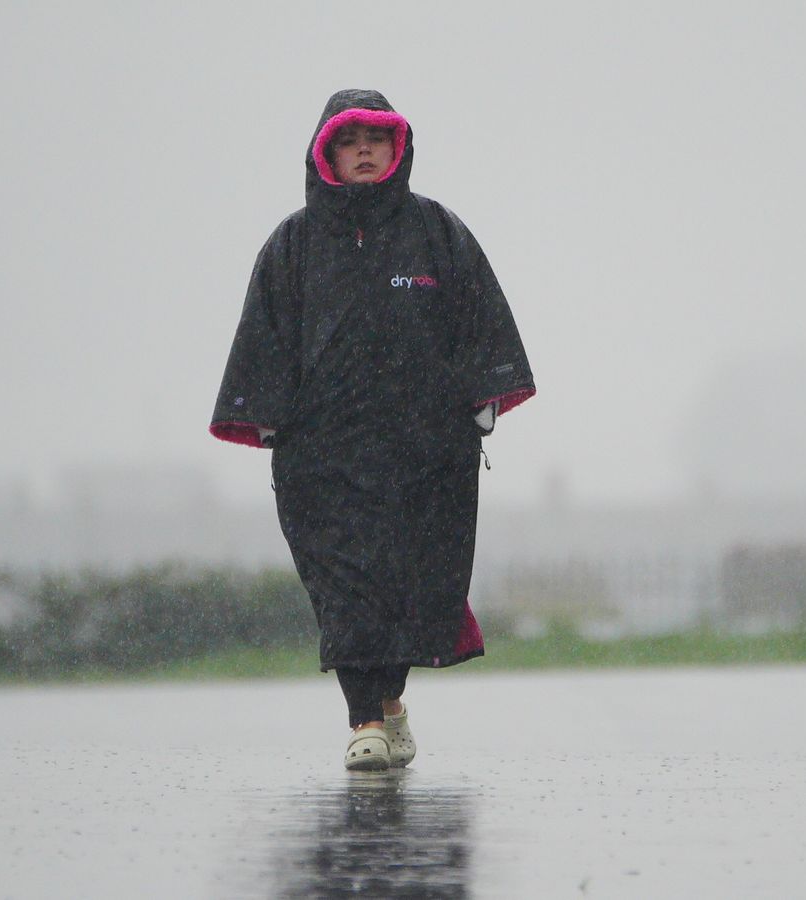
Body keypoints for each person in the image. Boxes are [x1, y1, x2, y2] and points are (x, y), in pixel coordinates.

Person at [209, 89, 535, 771]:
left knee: (412, 588)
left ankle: (388, 708)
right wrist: (264, 415)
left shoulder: (439, 233)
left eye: (375, 138)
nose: (363, 149)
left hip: (428, 451)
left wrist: (483, 399)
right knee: (348, 586)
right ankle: (365, 720)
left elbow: (482, 320)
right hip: (321, 456)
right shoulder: (292, 245)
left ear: (398, 149)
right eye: (348, 138)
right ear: (325, 152)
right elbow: (264, 336)